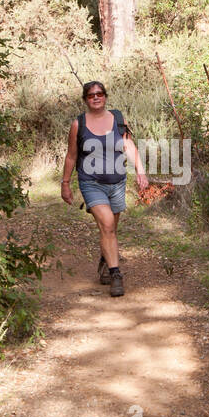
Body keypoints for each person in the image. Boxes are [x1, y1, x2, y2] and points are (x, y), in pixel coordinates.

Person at [61, 80, 148, 296]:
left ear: (105, 96)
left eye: (100, 93)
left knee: (110, 230)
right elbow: (72, 155)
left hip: (117, 182)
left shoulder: (118, 119)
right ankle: (115, 274)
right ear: (85, 100)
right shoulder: (78, 124)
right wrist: (65, 184)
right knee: (107, 224)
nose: (96, 97)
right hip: (91, 182)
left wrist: (140, 170)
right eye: (91, 95)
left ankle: (105, 259)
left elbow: (128, 145)